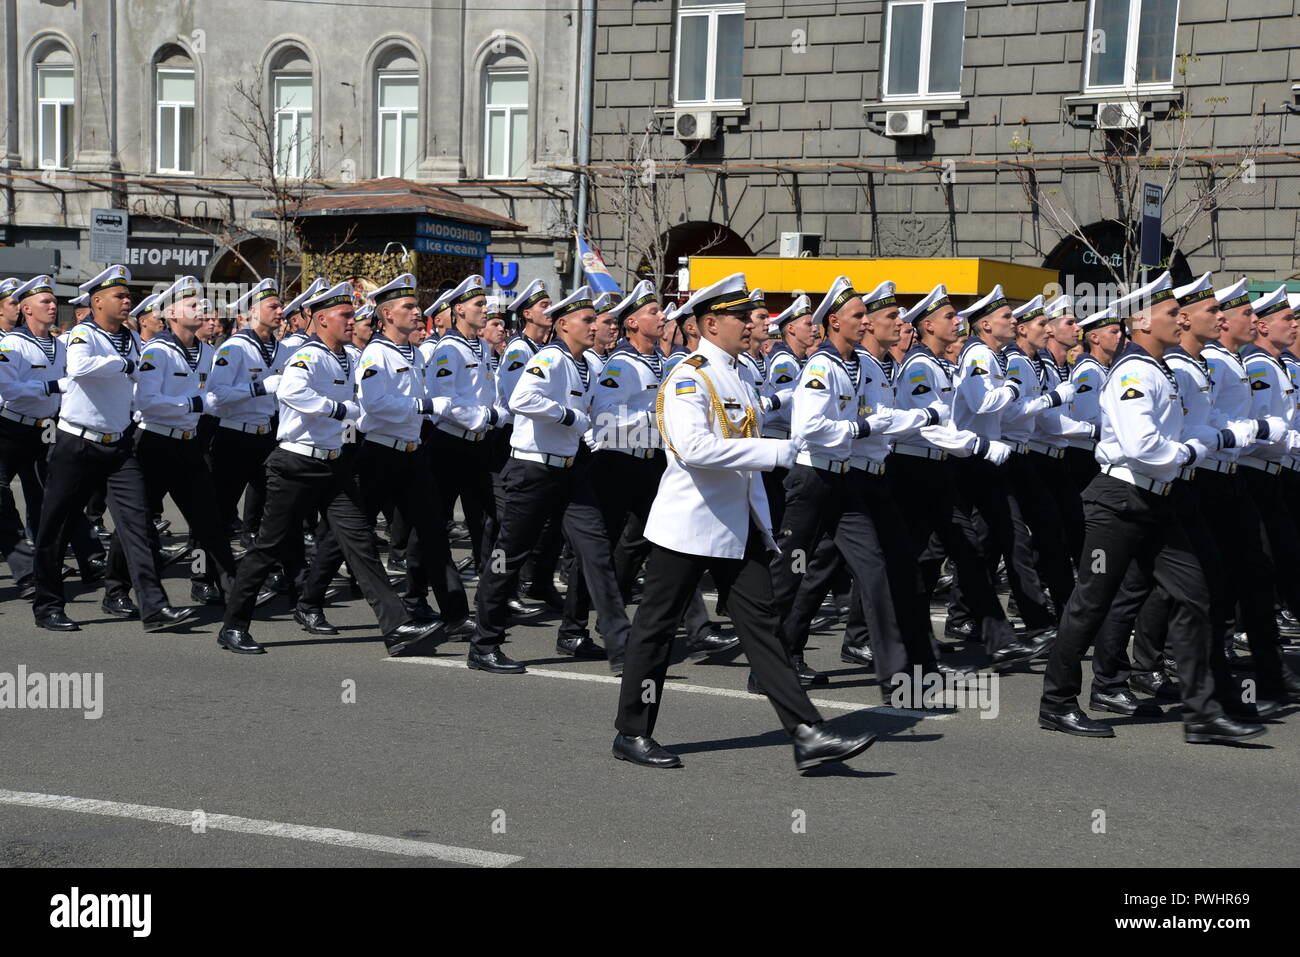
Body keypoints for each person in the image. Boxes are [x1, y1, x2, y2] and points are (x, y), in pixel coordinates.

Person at [612, 272, 877, 772]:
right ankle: (631, 731)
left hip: (737, 525)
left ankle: (806, 731)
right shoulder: (689, 375)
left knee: (762, 628)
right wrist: (777, 452)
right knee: (655, 631)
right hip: (689, 525)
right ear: (711, 323)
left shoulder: (738, 372)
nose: (752, 324)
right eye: (740, 317)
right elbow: (694, 449)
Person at [1038, 271, 1264, 744]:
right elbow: (1146, 447)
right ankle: (1057, 702)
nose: (1180, 320)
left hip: (1161, 501)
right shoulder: (1134, 371)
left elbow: (1186, 431)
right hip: (1120, 500)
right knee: (1090, 604)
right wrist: (1197, 450)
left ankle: (1202, 712)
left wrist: (1220, 437)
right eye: (1170, 314)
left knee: (1195, 595)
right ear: (1142, 321)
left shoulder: (1162, 369)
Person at [216, 281, 441, 656]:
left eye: (354, 315)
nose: (353, 321)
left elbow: (366, 399)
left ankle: (397, 626)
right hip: (296, 464)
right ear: (321, 320)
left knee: (360, 544)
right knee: (268, 546)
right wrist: (337, 410)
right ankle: (233, 625)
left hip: (334, 466)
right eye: (346, 315)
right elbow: (290, 390)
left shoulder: (350, 357)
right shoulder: (309, 354)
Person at [296, 273, 473, 639]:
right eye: (408, 307)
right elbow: (374, 405)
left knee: (433, 533)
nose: (417, 311)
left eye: (416, 305)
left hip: (412, 454)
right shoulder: (376, 353)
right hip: (377, 455)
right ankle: (309, 602)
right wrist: (424, 405)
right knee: (346, 535)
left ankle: (454, 612)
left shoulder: (414, 351)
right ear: (388, 315)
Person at [31, 266, 193, 633]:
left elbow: (137, 385)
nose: (127, 302)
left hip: (118, 446)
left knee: (137, 524)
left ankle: (153, 606)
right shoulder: (83, 334)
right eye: (119, 296)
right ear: (97, 301)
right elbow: (80, 368)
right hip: (77, 443)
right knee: (56, 526)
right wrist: (125, 364)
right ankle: (48, 605)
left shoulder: (132, 340)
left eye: (128, 296)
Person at [469, 286, 610, 673]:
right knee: (507, 556)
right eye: (587, 320)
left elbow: (591, 411)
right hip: (532, 469)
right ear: (563, 325)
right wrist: (568, 417)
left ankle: (585, 633)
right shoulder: (550, 357)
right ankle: (484, 643)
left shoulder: (586, 364)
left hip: (569, 468)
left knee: (594, 547)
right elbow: (522, 399)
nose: (594, 326)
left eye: (595, 320)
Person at [124, 275, 241, 609]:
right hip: (154, 443)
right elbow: (146, 401)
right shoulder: (157, 351)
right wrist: (194, 405)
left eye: (202, 302)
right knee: (138, 519)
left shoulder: (206, 351)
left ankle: (223, 588)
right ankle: (116, 588)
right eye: (192, 304)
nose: (201, 308)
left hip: (189, 444)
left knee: (207, 520)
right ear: (171, 315)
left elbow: (212, 399)